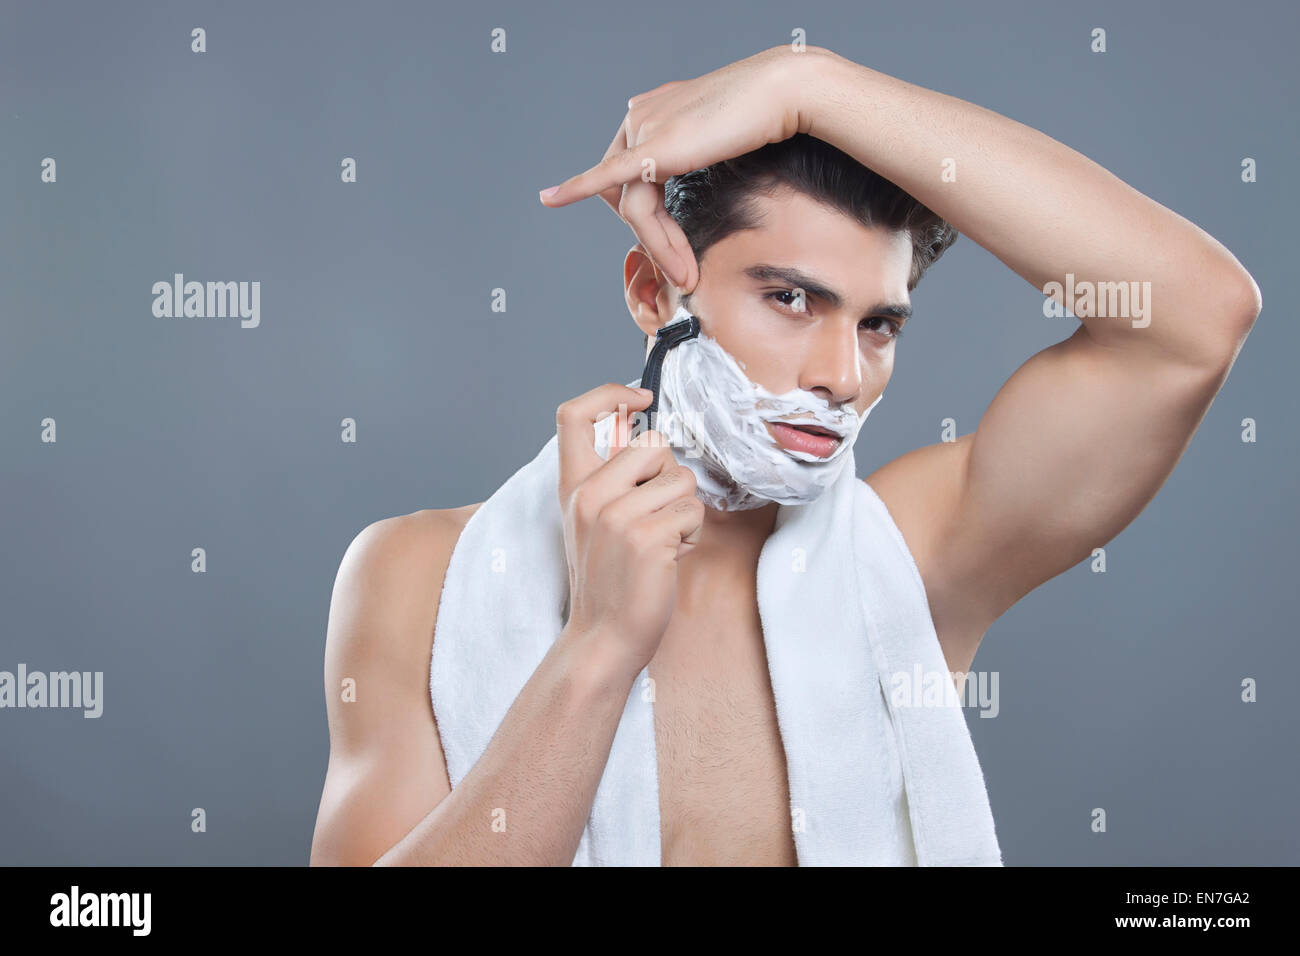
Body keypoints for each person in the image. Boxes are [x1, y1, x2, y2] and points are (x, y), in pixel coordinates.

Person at [308, 45, 1260, 866]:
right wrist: (598, 646)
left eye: (879, 323)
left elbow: (1193, 319)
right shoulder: (416, 577)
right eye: (791, 299)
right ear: (653, 293)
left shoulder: (920, 557)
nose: (841, 374)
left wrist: (812, 85)